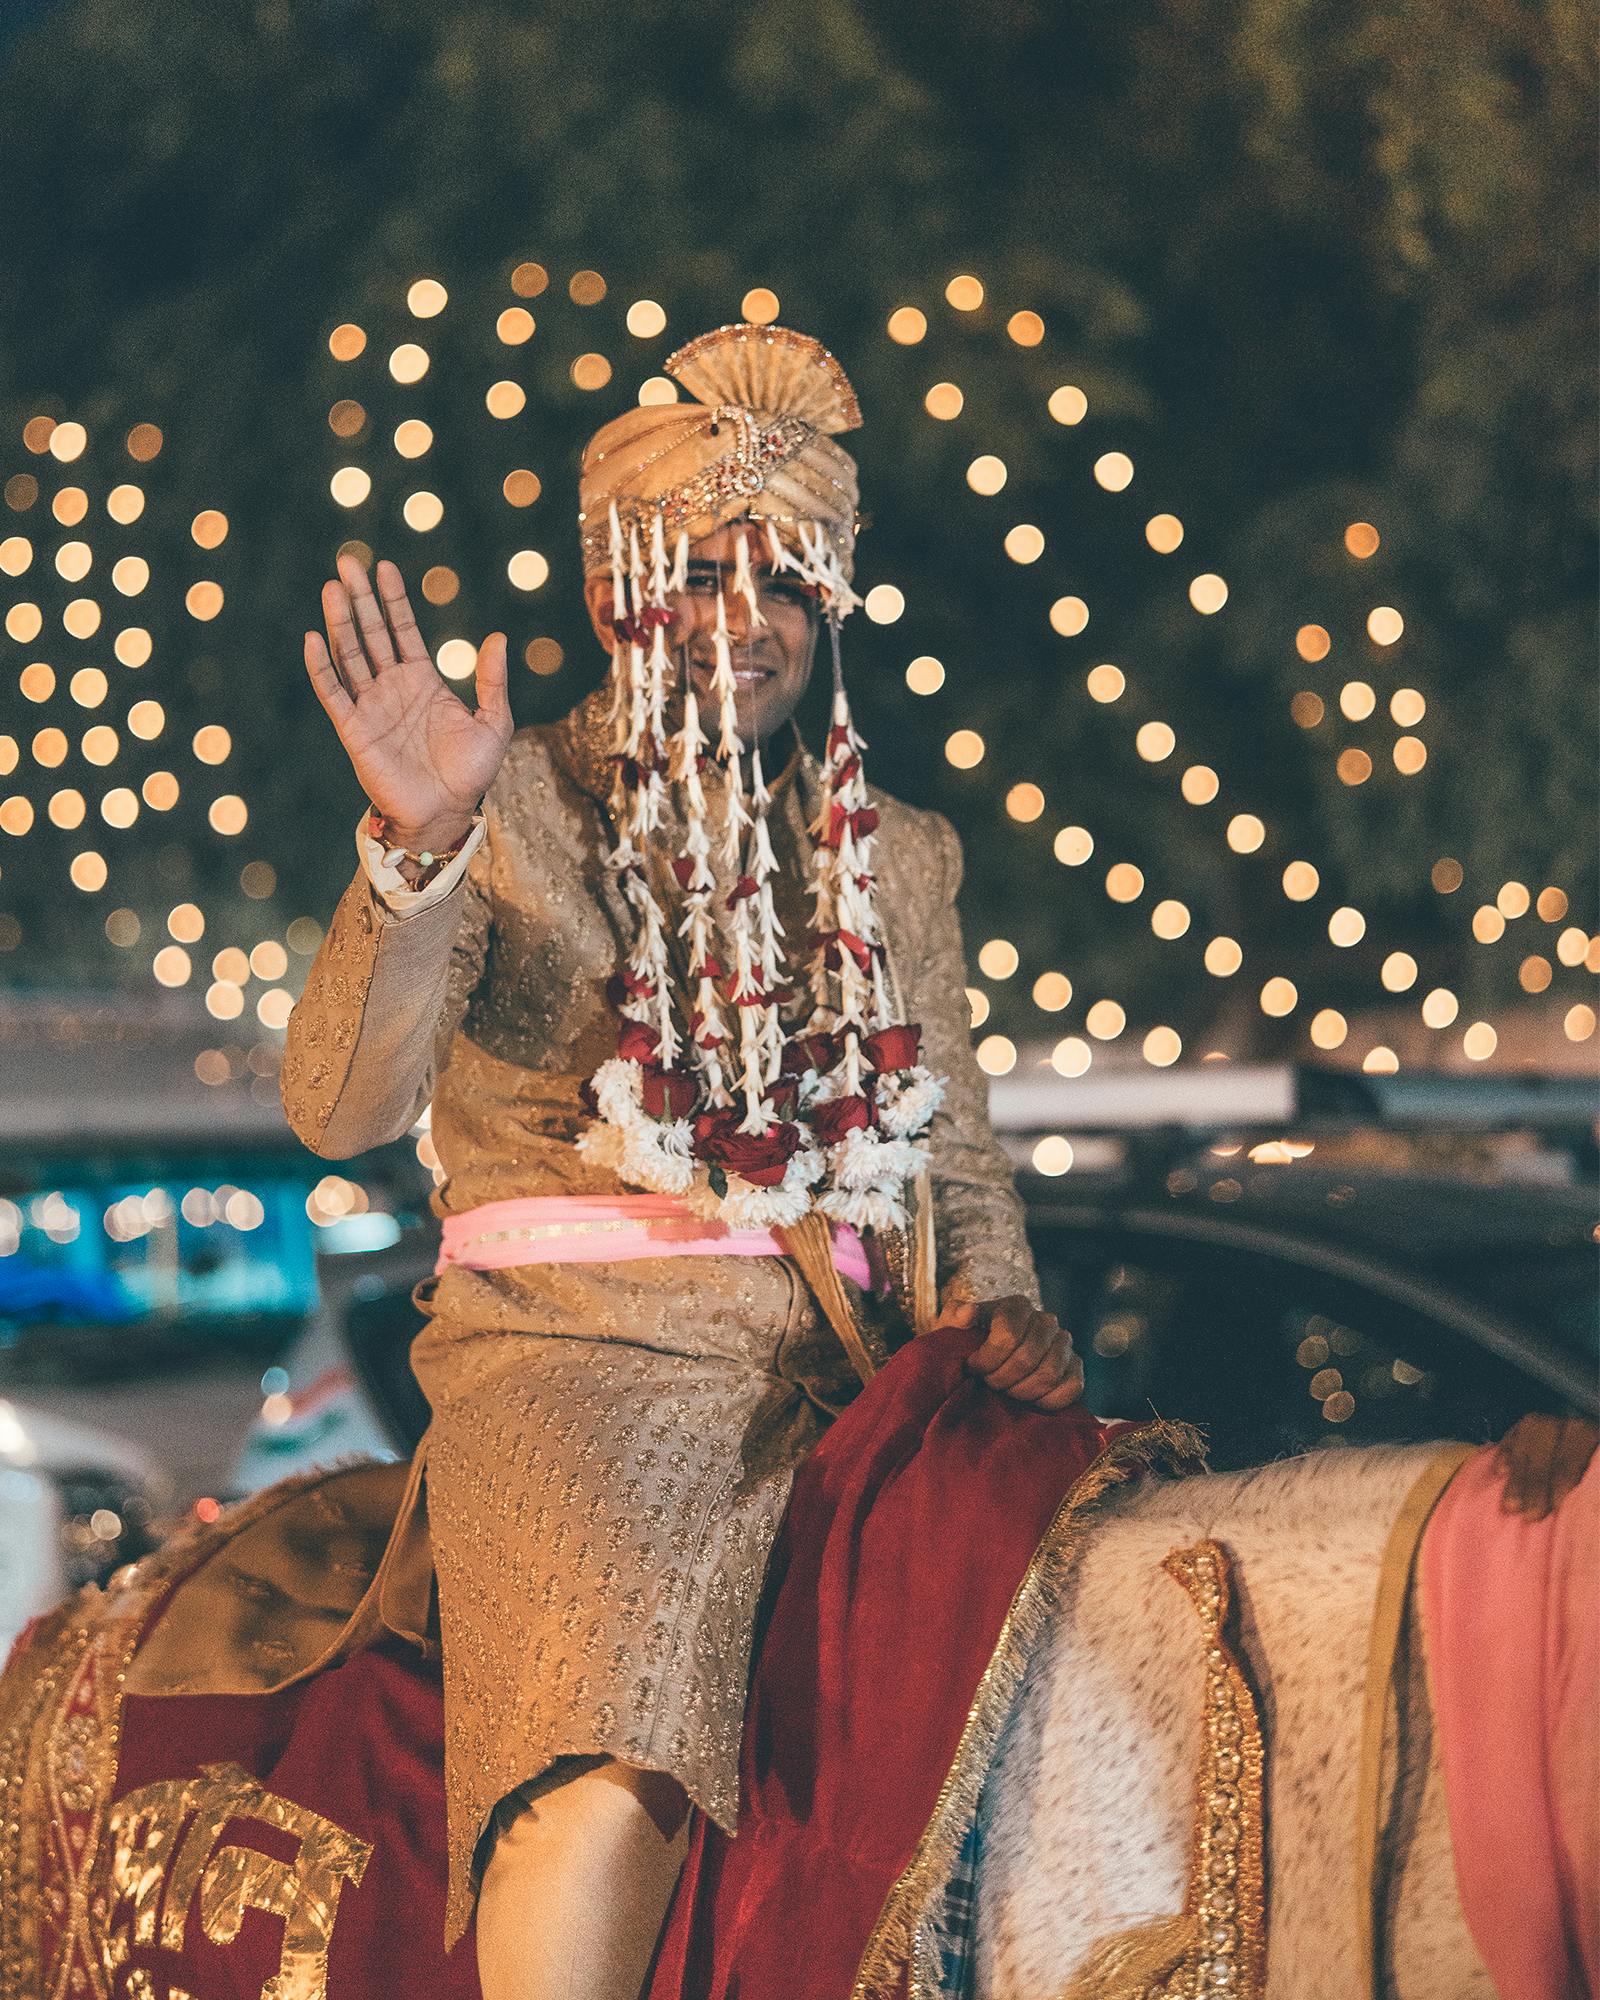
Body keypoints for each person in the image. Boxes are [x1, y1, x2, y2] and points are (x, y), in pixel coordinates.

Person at [281, 321, 1084, 2000]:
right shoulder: (498, 802)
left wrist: (1005, 1314)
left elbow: (961, 1167)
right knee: (619, 1751)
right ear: (609, 594)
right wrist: (419, 846)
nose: (745, 620)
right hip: (579, 1370)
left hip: (851, 1372)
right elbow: (341, 1111)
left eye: (784, 584)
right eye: (697, 572)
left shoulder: (903, 857)